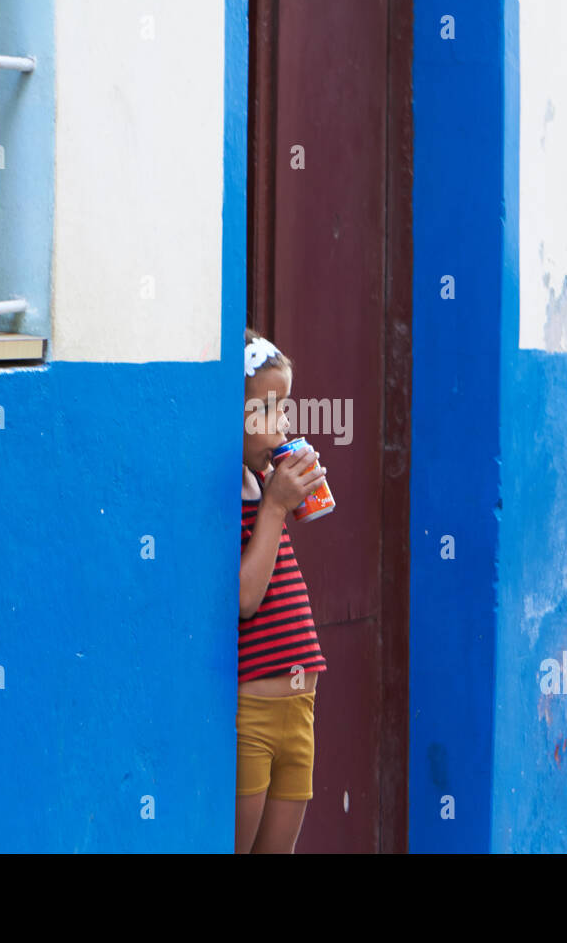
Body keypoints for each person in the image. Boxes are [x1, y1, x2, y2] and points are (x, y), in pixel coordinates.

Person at [236, 327, 329, 853]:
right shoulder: (232, 491)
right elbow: (245, 598)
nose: (283, 423)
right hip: (253, 715)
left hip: (299, 710)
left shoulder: (258, 482)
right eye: (267, 410)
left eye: (285, 408)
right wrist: (274, 506)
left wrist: (281, 498)